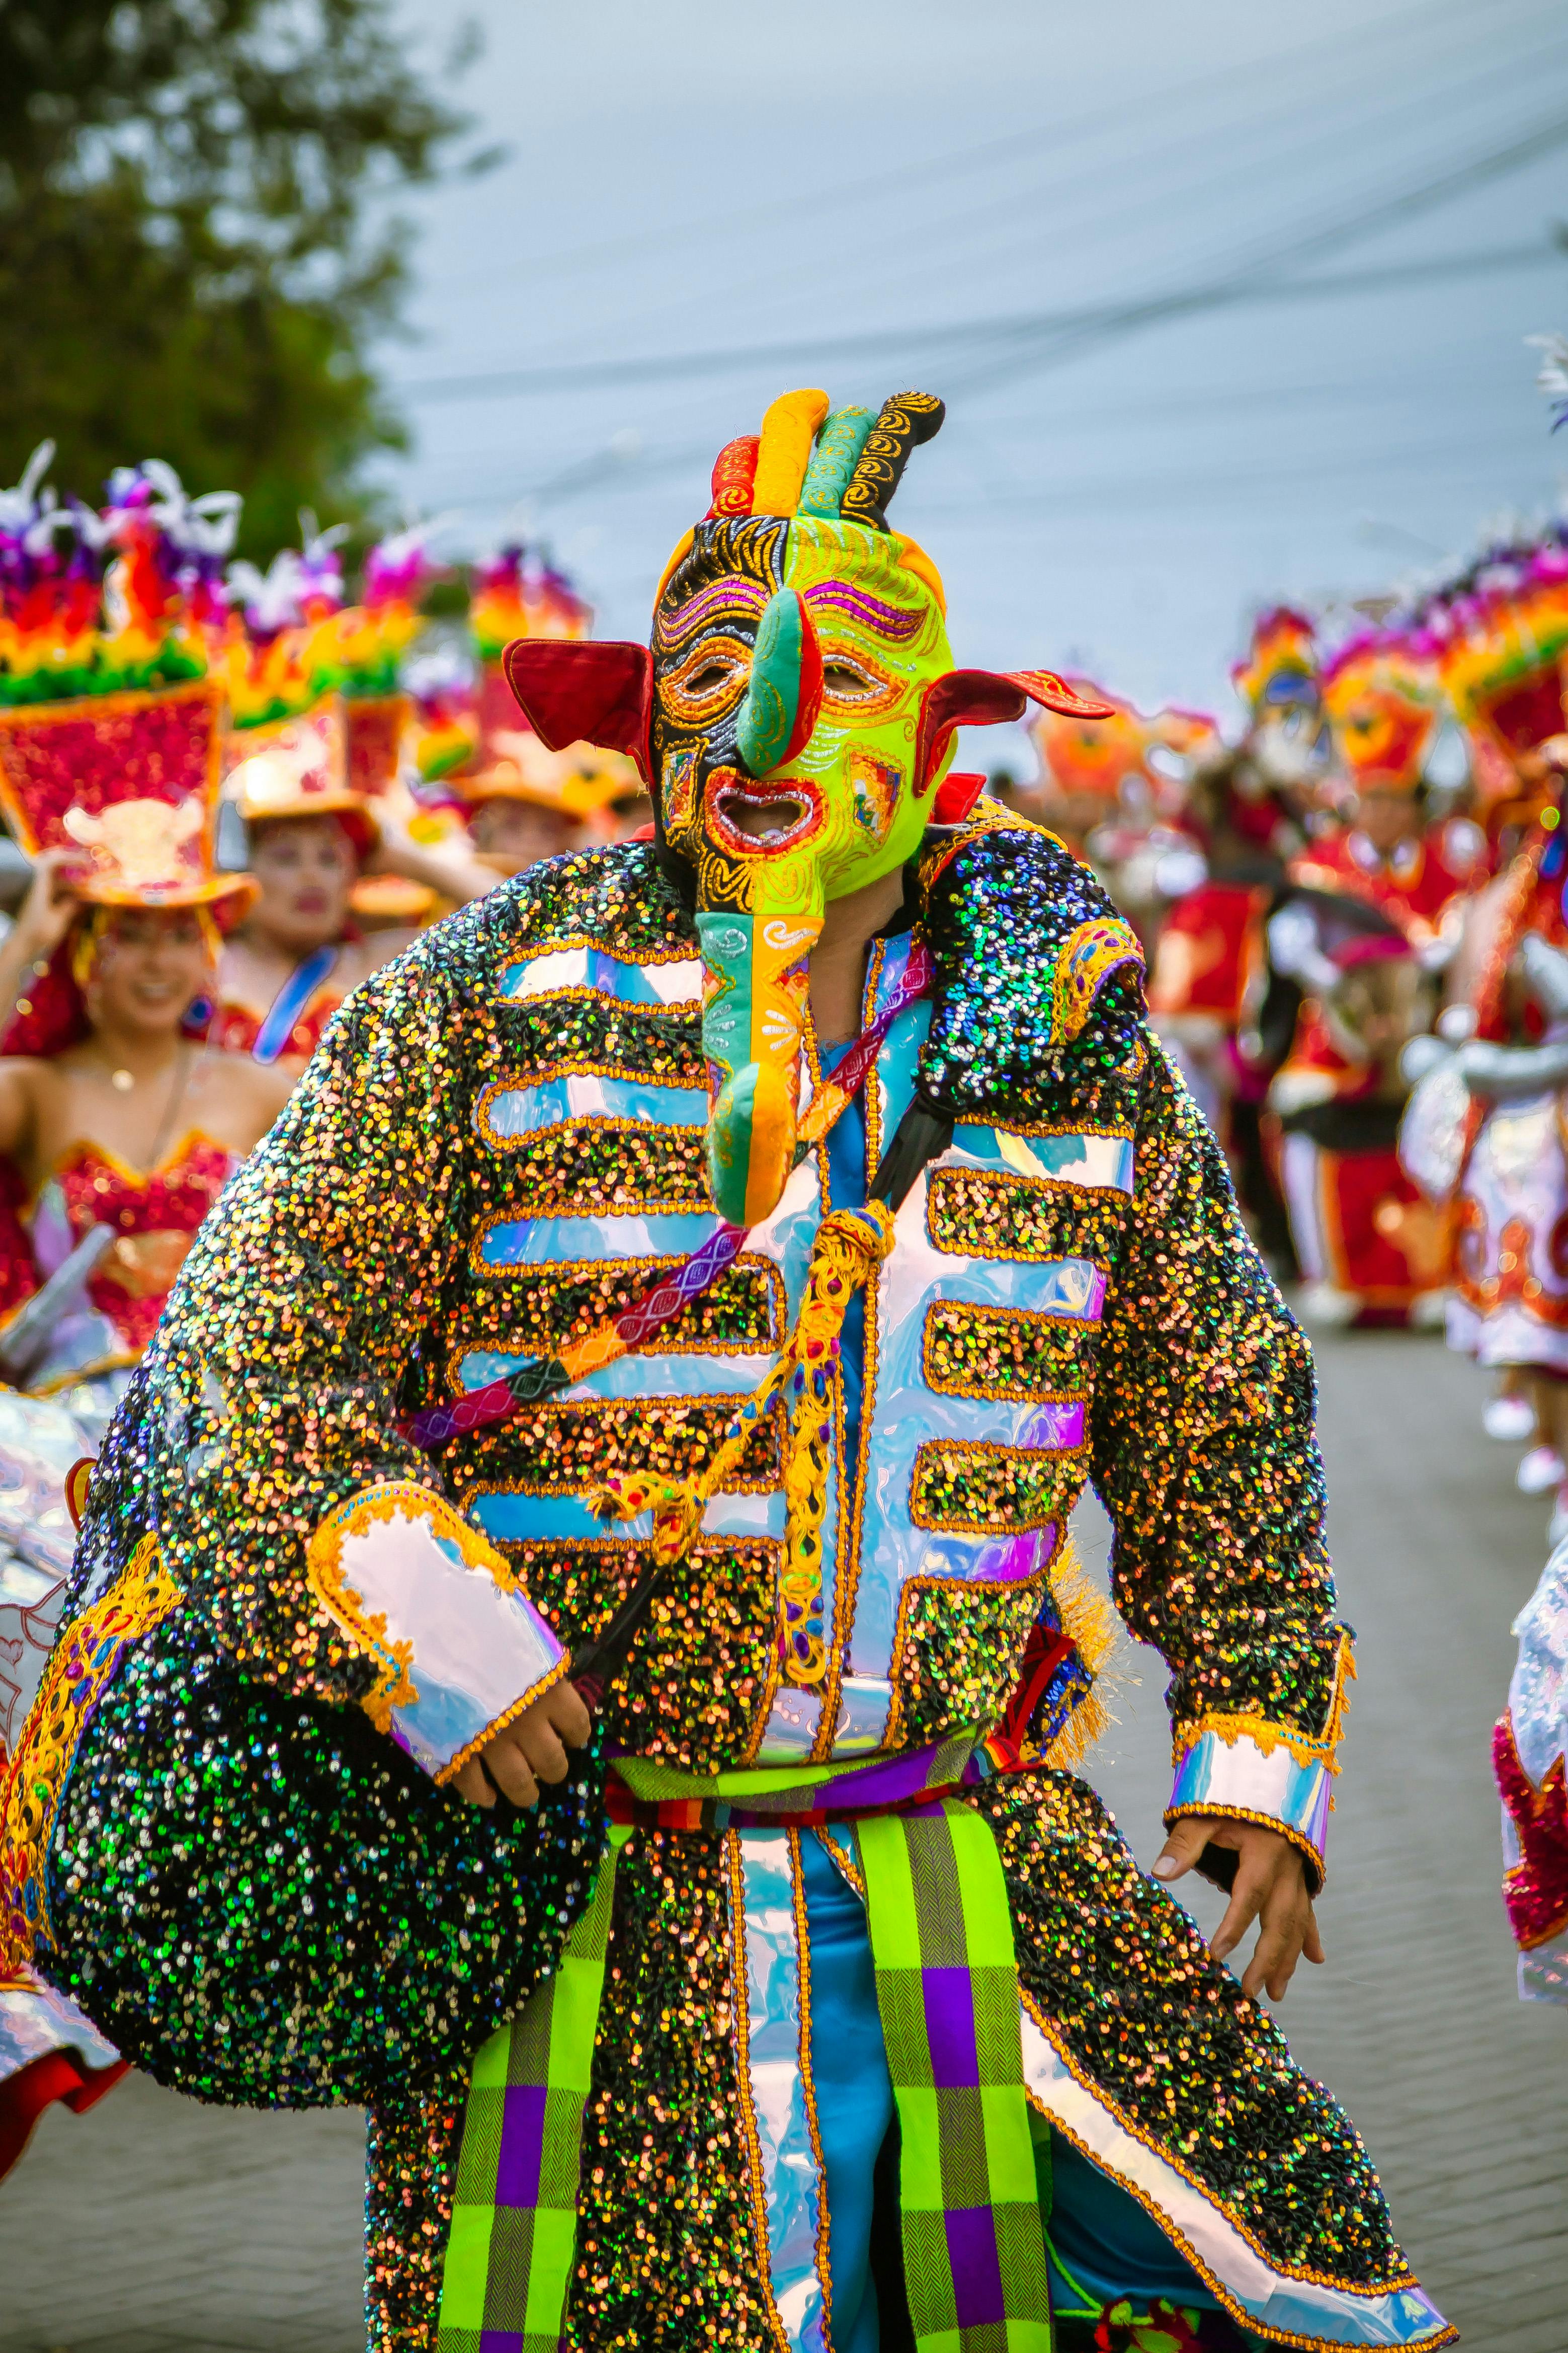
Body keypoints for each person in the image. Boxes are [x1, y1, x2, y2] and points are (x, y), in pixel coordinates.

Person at [3, 389, 1451, 2353]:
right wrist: (404, 1597)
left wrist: (1256, 1737)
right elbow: (252, 1348)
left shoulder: (1061, 1017)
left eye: (829, 678)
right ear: (644, 722)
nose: (761, 727)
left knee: (1247, 2273)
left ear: (936, 731)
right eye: (707, 680)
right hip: (571, 1909)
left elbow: (1212, 1389)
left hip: (974, 1877)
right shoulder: (473, 995)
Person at [0, 588, 291, 2170]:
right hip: (50, 1443)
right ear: (89, 945)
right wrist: (24, 941)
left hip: (226, 1423)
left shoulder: (266, 1082)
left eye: (185, 926)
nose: (161, 954)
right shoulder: (32, 1087)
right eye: (130, 928)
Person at [1290, 632, 1483, 952]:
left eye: (1396, 801)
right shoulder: (1320, 867)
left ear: (1419, 808)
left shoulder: (1449, 866)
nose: (1382, 813)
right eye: (1372, 801)